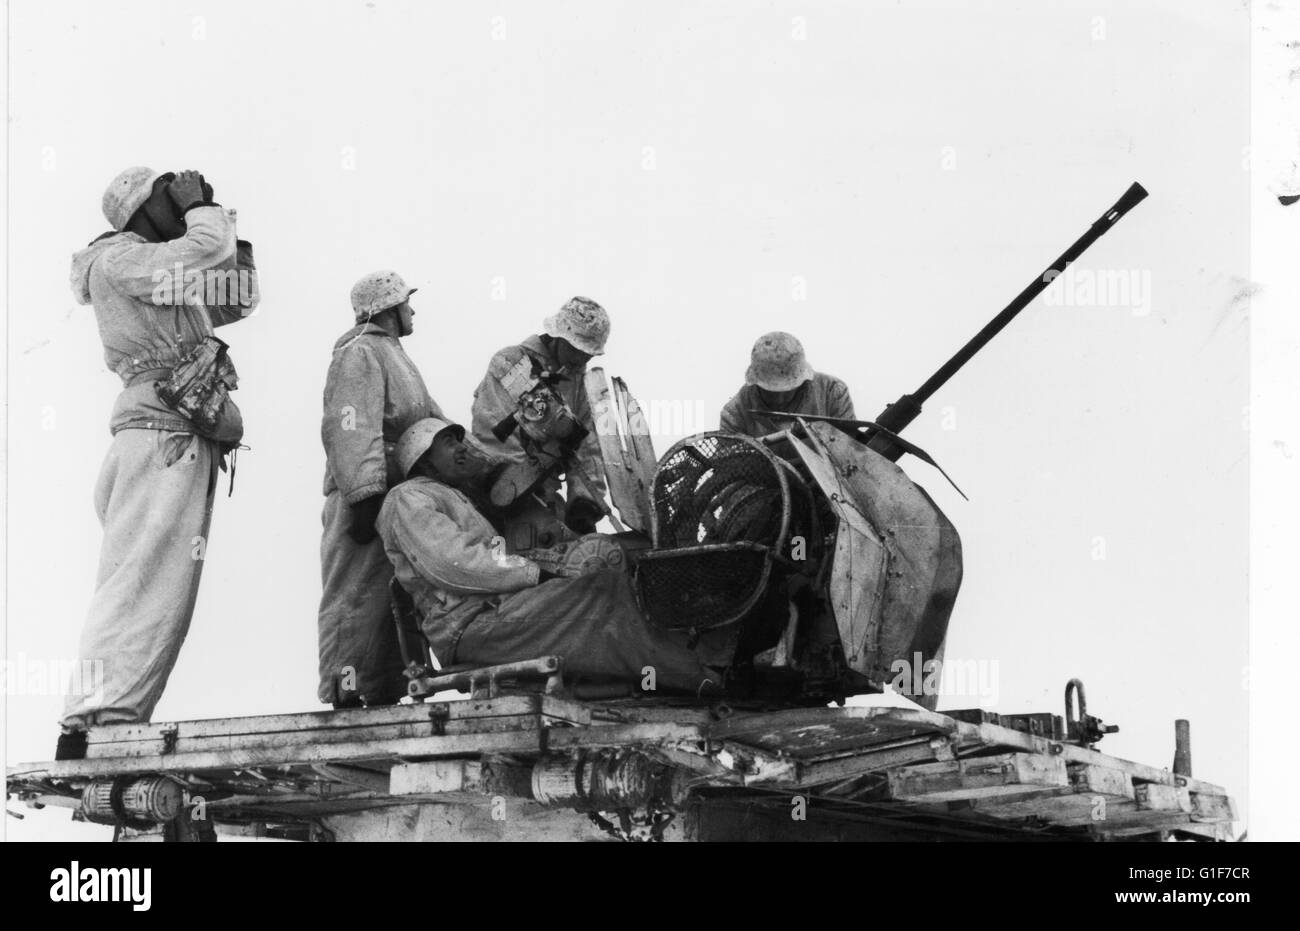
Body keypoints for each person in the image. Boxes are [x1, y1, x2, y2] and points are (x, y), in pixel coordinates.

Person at [59, 166, 259, 759]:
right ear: (143, 207)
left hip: (166, 433)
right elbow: (203, 248)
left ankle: (107, 716)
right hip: (158, 435)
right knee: (143, 580)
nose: (181, 201)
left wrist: (229, 232)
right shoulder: (119, 261)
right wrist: (202, 209)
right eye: (168, 195)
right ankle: (97, 716)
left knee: (153, 582)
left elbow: (236, 300)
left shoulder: (150, 268)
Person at [377, 418, 718, 695]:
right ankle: (702, 679)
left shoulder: (452, 495)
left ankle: (693, 666)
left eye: (461, 441)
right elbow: (453, 565)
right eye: (450, 444)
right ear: (421, 458)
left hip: (494, 610)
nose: (463, 449)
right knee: (603, 597)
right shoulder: (408, 498)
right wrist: (535, 574)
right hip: (470, 624)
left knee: (614, 576)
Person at [318, 271, 441, 708]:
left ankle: (385, 690)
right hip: (364, 496)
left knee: (394, 598)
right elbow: (350, 425)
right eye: (406, 303)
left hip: (396, 495)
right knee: (354, 595)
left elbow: (428, 420)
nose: (412, 309)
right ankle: (344, 691)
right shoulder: (360, 352)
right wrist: (364, 496)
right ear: (388, 308)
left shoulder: (394, 355)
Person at [470, 297, 610, 540]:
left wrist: (584, 504)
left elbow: (588, 448)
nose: (581, 359)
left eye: (588, 354)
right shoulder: (511, 363)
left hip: (547, 497)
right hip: (503, 498)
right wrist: (518, 490)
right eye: (576, 350)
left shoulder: (579, 383)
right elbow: (494, 437)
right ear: (557, 337)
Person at [719, 331, 856, 437]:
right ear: (755, 383)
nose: (779, 399)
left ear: (802, 381)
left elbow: (852, 452)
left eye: (788, 391)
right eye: (771, 392)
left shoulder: (831, 392)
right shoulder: (735, 413)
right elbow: (728, 467)